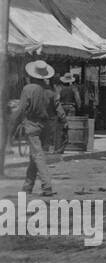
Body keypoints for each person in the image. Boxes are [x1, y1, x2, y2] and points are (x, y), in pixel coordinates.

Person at [15, 61, 61, 196]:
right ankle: (27, 186)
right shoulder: (50, 91)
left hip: (32, 124)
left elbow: (22, 109)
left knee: (38, 156)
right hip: (46, 126)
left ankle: (47, 186)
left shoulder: (28, 89)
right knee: (34, 156)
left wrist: (13, 123)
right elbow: (55, 108)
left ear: (31, 75)